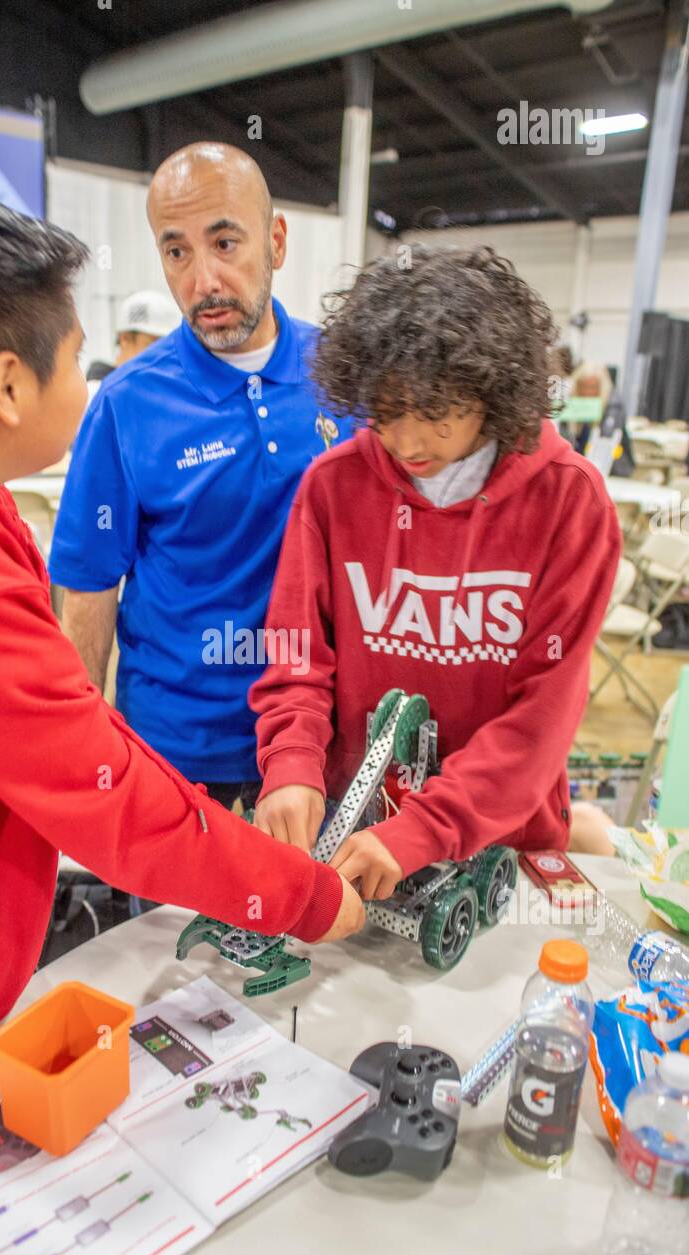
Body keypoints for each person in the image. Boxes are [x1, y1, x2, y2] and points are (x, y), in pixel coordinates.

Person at [0, 197, 363, 1158]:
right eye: (76, 358)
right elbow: (108, 795)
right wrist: (306, 897)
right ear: (6, 385)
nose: (92, 378)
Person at [250, 247, 622, 898]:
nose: (408, 440)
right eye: (387, 412)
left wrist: (425, 828)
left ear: (491, 390)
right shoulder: (333, 488)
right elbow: (295, 656)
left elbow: (543, 715)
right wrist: (291, 762)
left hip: (503, 843)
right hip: (356, 827)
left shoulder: (570, 502)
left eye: (436, 412)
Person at [48, 142, 354, 819]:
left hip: (321, 750)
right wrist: (82, 753)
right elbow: (90, 589)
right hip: (176, 756)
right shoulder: (128, 404)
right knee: (172, 932)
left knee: (325, 929)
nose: (204, 280)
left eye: (225, 242)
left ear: (276, 241)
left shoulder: (346, 377)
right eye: (177, 252)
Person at [85, 288, 179, 387]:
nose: (163, 355)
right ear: (125, 339)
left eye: (168, 347)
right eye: (155, 344)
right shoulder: (98, 393)